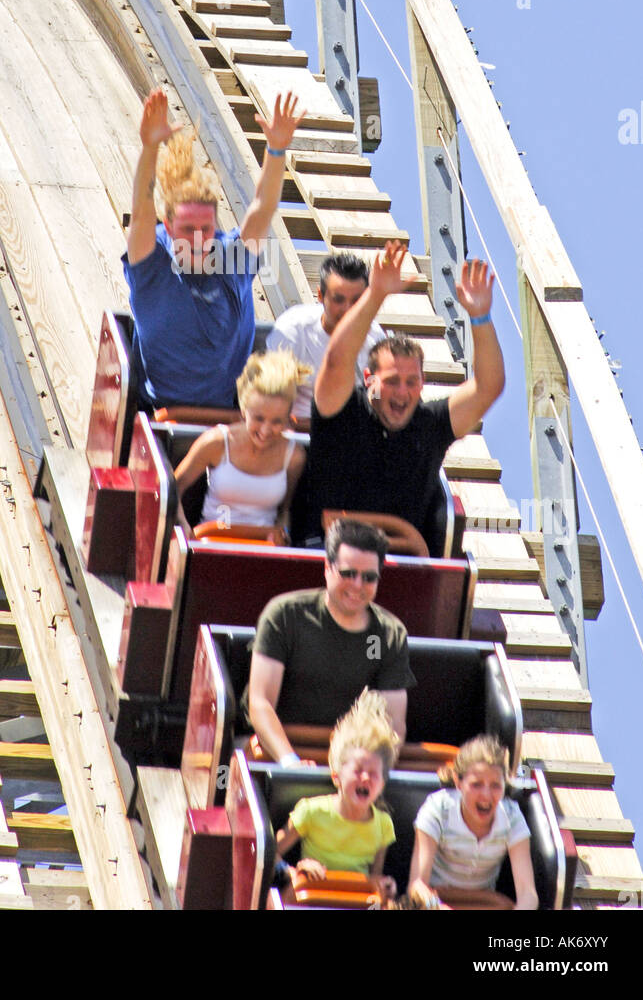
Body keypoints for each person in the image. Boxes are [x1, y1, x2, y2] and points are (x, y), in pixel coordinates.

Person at [294, 240, 505, 551]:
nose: (402, 392)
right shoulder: (342, 410)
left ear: (422, 385)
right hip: (326, 553)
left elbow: (489, 387)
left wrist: (479, 317)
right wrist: (376, 293)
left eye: (411, 382)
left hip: (404, 563)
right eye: (392, 381)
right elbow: (337, 359)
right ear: (369, 380)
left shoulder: (429, 424)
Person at [122, 86, 303, 409]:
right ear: (167, 224)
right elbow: (140, 213)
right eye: (187, 229)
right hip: (162, 409)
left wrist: (276, 150)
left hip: (226, 411)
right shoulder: (152, 263)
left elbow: (262, 209)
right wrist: (150, 147)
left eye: (205, 229)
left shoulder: (229, 259)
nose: (197, 238)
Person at [247, 519, 414, 759]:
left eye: (369, 577)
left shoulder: (390, 634)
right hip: (276, 749)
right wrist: (290, 763)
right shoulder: (284, 615)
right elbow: (260, 704)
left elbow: (394, 725)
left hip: (353, 758)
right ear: (327, 568)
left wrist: (364, 772)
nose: (358, 585)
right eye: (348, 573)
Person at [275, 690, 399, 900]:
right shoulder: (311, 810)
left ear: (382, 784)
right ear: (337, 777)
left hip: (353, 901)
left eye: (374, 774)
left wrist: (385, 886)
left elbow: (374, 877)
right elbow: (269, 853)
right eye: (358, 770)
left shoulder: (383, 825)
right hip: (312, 895)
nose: (366, 778)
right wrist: (294, 871)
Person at [174, 350, 309, 538]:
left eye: (277, 421)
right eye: (259, 418)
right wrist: (184, 527)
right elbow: (173, 489)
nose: (265, 430)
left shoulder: (294, 456)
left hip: (264, 548)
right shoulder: (216, 443)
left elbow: (286, 510)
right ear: (244, 410)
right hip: (213, 541)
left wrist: (282, 532)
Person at [408, 736, 538, 911]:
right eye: (476, 785)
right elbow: (417, 885)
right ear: (459, 782)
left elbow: (527, 893)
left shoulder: (512, 816)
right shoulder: (438, 809)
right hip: (436, 900)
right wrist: (437, 907)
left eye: (495, 785)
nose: (486, 795)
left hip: (484, 903)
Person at [266, 252, 386, 422]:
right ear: (320, 296)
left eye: (356, 300)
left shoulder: (375, 337)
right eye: (338, 299)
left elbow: (379, 399)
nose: (347, 309)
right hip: (299, 434)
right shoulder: (292, 330)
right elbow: (271, 400)